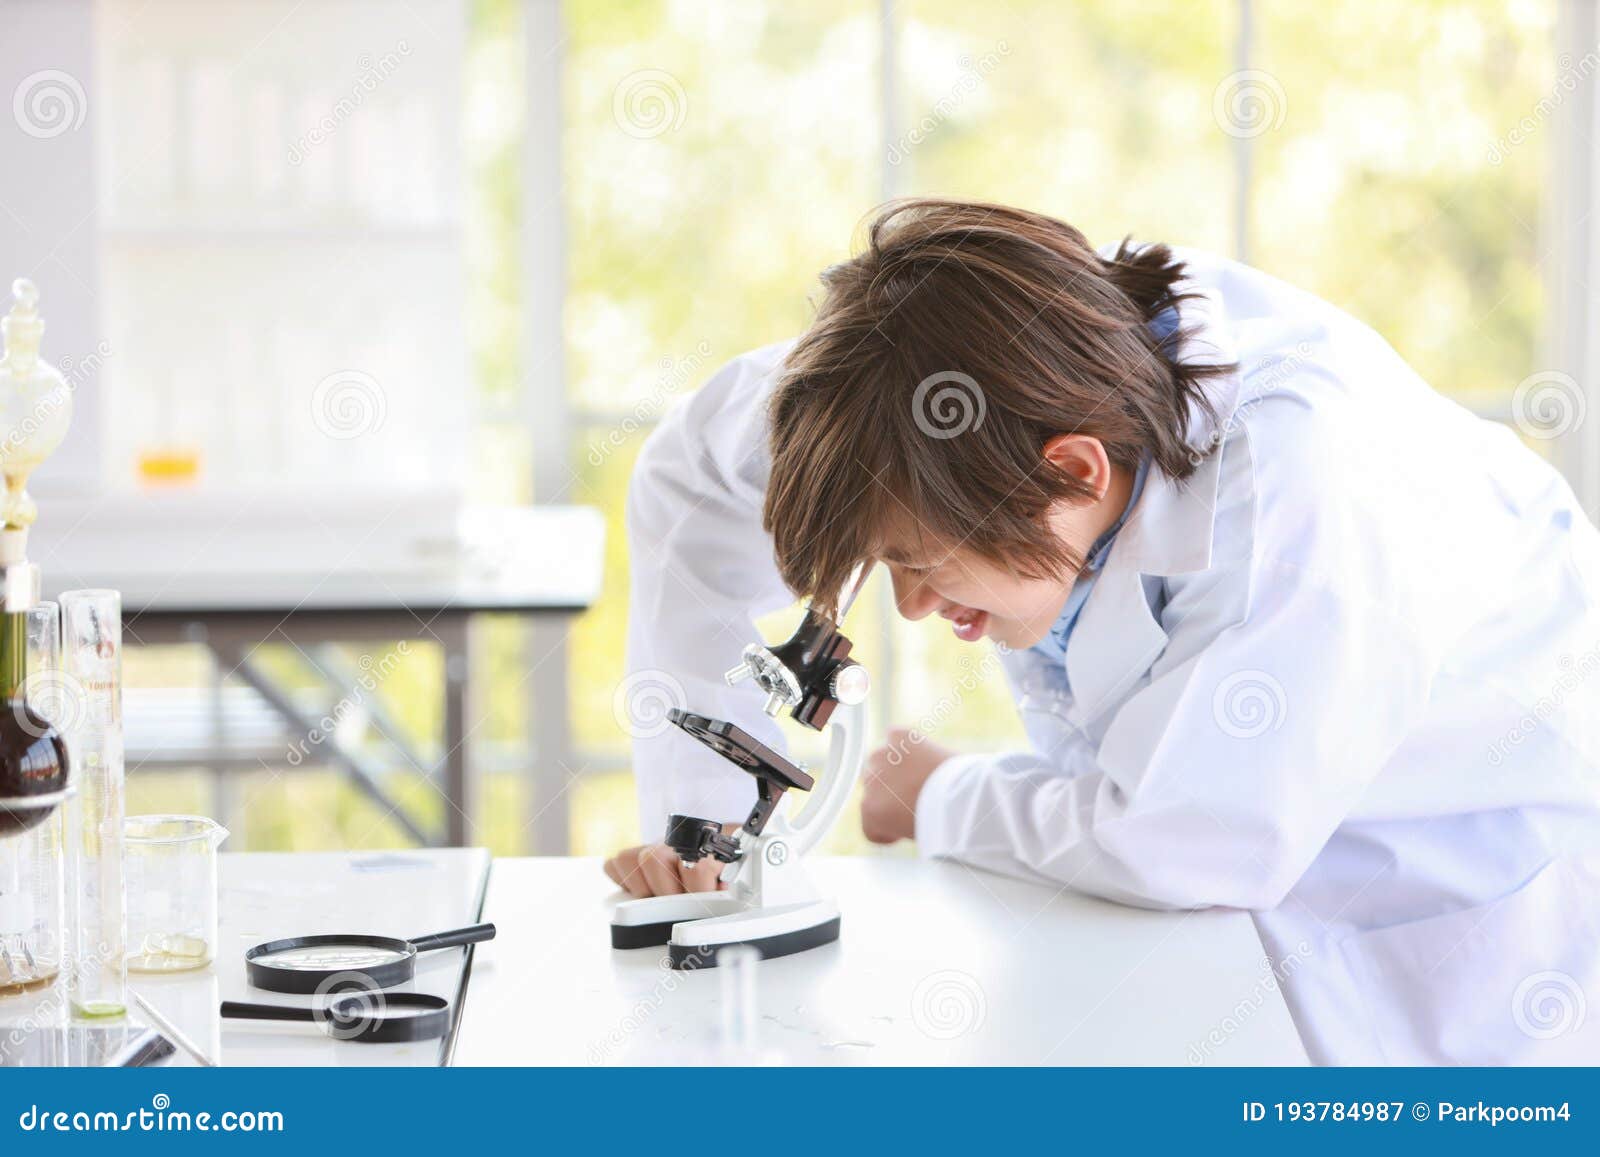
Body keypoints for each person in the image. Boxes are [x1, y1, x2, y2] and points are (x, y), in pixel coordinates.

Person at [604, 199, 1600, 1065]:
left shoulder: (1308, 484)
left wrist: (937, 793)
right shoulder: (900, 385)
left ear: (1074, 472)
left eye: (915, 557)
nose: (907, 605)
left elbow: (1186, 840)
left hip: (1451, 930)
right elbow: (689, 476)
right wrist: (707, 836)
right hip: (1210, 926)